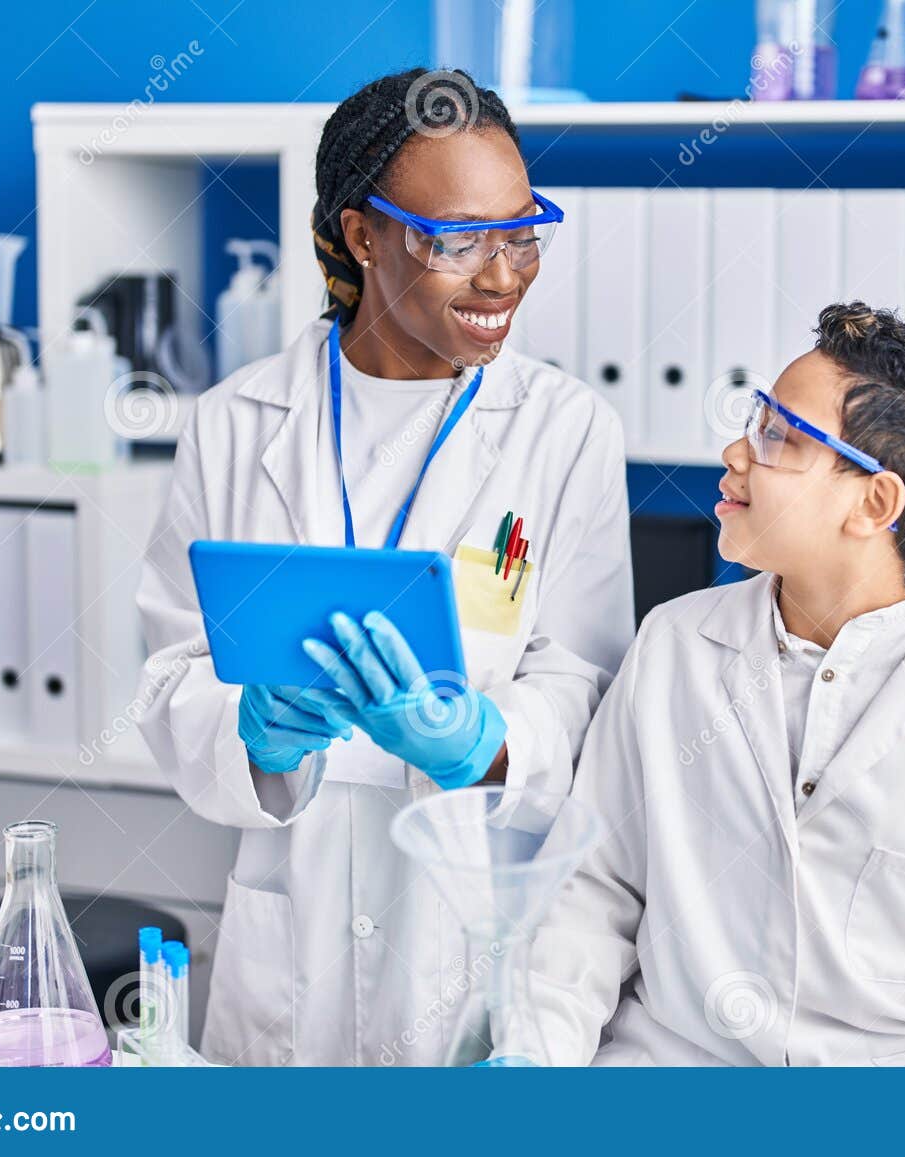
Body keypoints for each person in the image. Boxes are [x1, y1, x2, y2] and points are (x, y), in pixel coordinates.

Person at [134, 68, 634, 1066]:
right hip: (293, 931)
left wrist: (482, 742)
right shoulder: (237, 423)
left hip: (477, 917)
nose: (501, 276)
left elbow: (586, 679)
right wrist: (253, 728)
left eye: (522, 231)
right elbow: (169, 671)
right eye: (455, 240)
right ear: (363, 236)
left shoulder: (564, 427)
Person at [512, 302, 905, 1066]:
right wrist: (532, 1057)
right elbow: (594, 889)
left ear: (874, 502)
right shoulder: (675, 646)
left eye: (778, 438)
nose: (735, 452)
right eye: (757, 421)